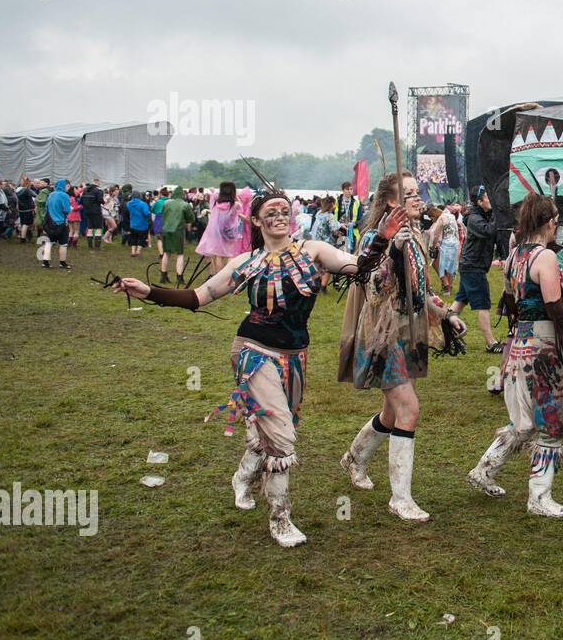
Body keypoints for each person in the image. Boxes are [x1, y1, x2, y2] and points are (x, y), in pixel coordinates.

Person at [112, 191, 391, 547]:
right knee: (281, 436)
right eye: (269, 212)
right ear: (256, 221)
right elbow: (200, 296)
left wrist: (382, 237)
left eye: (283, 210)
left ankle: (243, 475)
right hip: (253, 352)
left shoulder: (314, 251)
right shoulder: (246, 261)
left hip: (294, 357)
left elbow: (360, 267)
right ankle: (280, 518)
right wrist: (150, 291)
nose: (278, 215)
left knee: (269, 429)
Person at [466, 194, 563, 515]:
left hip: (521, 344)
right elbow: (555, 309)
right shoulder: (544, 258)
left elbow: (510, 304)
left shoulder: (514, 256)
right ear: (549, 222)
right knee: (550, 421)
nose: (557, 224)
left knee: (523, 421)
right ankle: (539, 498)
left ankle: (484, 470)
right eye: (556, 218)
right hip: (544, 347)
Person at [337, 173, 466, 522]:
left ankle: (355, 458)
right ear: (392, 202)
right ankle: (400, 499)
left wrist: (445, 315)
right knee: (409, 409)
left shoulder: (417, 236)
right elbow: (374, 286)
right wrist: (390, 247)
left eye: (417, 192)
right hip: (382, 335)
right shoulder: (376, 237)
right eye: (408, 194)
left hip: (408, 331)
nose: (417, 198)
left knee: (392, 413)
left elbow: (418, 291)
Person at [451, 186, 503, 352]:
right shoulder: (474, 218)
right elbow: (488, 232)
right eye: (488, 197)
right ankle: (491, 343)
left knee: (460, 301)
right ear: (479, 202)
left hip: (471, 265)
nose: (491, 200)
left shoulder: (482, 215)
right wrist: (497, 214)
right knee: (483, 305)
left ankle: (444, 328)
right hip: (473, 267)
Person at [197, 182, 244, 275]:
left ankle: (218, 275)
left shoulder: (216, 203)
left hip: (217, 232)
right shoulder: (235, 205)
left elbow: (213, 198)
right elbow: (241, 211)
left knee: (219, 255)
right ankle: (227, 275)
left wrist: (214, 192)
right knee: (231, 254)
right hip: (230, 232)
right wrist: (237, 198)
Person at [159, 186, 195, 284]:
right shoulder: (185, 205)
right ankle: (179, 278)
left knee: (166, 253)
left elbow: (163, 213)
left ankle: (163, 276)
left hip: (166, 230)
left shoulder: (166, 203)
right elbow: (191, 219)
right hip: (178, 231)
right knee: (180, 254)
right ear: (182, 195)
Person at [428, 202, 461, 296]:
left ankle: (446, 287)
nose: (431, 220)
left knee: (438, 265)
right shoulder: (451, 217)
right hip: (455, 244)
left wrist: (434, 245)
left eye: (432, 218)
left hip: (445, 244)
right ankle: (448, 287)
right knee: (450, 267)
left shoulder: (442, 218)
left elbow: (436, 234)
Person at [40, 178, 72, 270]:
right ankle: (62, 263)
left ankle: (45, 262)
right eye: (67, 186)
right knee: (63, 244)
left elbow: (46, 207)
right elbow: (66, 210)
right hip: (61, 223)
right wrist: (70, 209)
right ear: (63, 186)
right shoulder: (64, 195)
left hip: (50, 223)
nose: (68, 188)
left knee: (48, 243)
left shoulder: (51, 194)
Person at [336, 180, 361, 252]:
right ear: (343, 190)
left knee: (350, 254)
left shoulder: (356, 203)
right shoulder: (337, 201)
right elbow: (332, 216)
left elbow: (360, 219)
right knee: (339, 254)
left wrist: (353, 224)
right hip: (339, 231)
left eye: (351, 189)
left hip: (352, 233)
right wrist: (339, 225)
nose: (350, 191)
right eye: (347, 189)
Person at [79, 179, 105, 249]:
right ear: (97, 183)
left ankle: (90, 246)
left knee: (90, 228)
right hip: (96, 211)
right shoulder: (98, 190)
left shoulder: (85, 190)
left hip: (87, 211)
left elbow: (80, 201)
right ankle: (97, 247)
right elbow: (100, 200)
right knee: (98, 228)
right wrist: (104, 202)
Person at [125, 191, 151, 257]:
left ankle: (133, 252)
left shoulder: (128, 204)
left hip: (133, 224)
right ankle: (138, 252)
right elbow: (146, 214)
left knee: (133, 238)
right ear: (139, 196)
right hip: (142, 224)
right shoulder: (143, 204)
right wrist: (149, 213)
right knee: (141, 238)